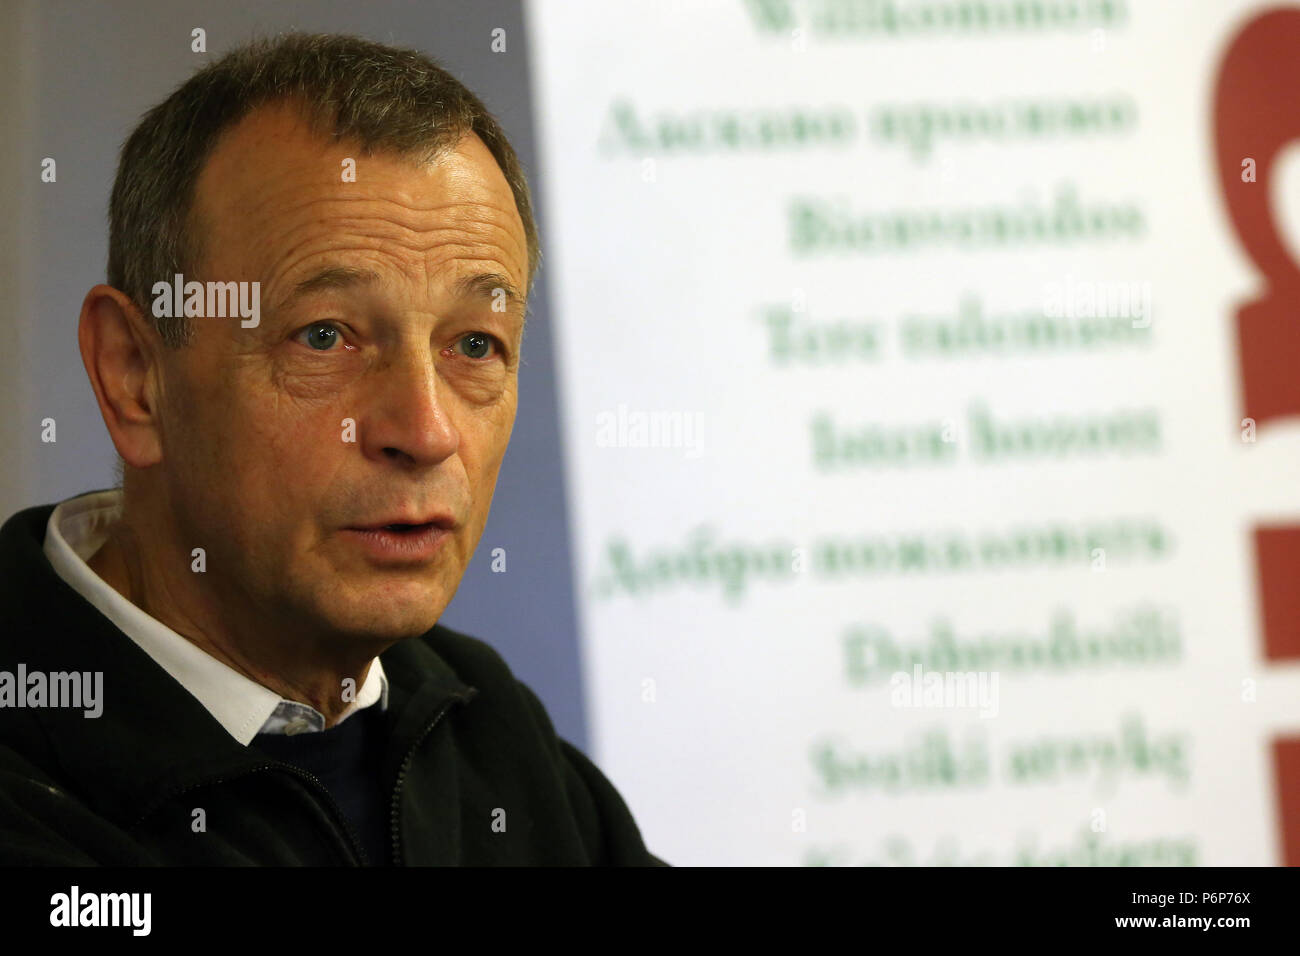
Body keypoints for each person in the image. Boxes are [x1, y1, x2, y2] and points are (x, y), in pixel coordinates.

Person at [0, 32, 666, 866]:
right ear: (135, 375)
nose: (426, 433)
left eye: (474, 345)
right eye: (325, 337)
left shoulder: (482, 722)